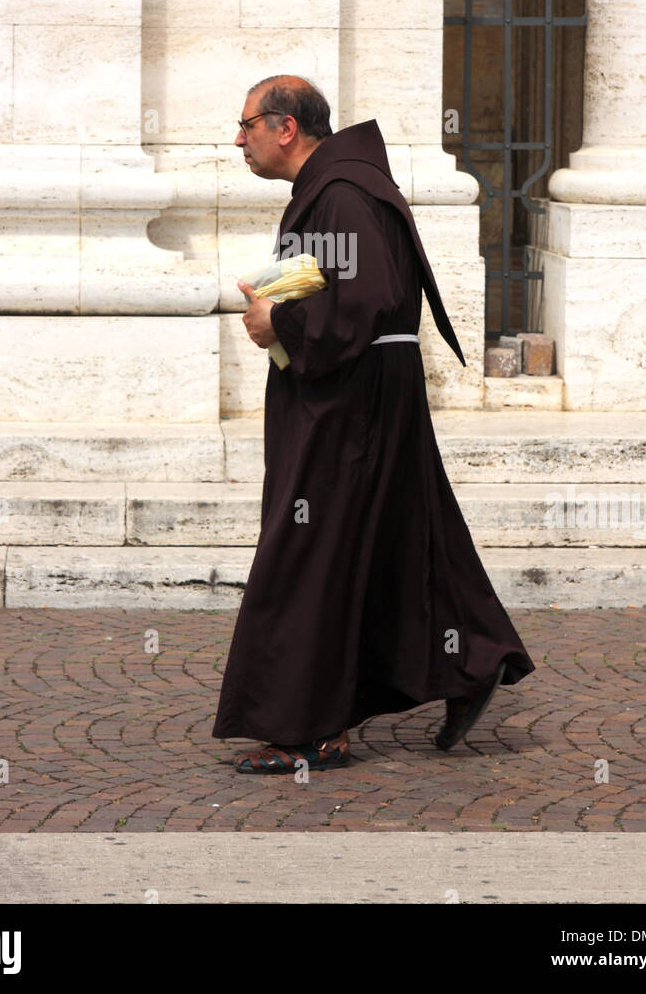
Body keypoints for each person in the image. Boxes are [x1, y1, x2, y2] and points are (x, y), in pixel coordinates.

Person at [212, 75, 535, 774]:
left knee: (312, 552)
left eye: (247, 126)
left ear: (286, 127)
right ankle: (468, 660)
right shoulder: (337, 189)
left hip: (350, 403)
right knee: (394, 544)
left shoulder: (340, 195)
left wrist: (279, 319)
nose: (239, 140)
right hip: (362, 392)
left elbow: (366, 298)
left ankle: (307, 729)